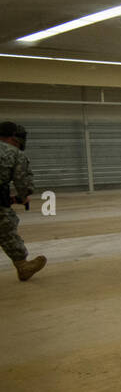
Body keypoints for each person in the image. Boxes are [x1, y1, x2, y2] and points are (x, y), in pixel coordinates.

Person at [0, 121, 46, 282]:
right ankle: (22, 265)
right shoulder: (14, 153)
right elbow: (22, 182)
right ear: (14, 137)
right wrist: (22, 196)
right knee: (6, 228)